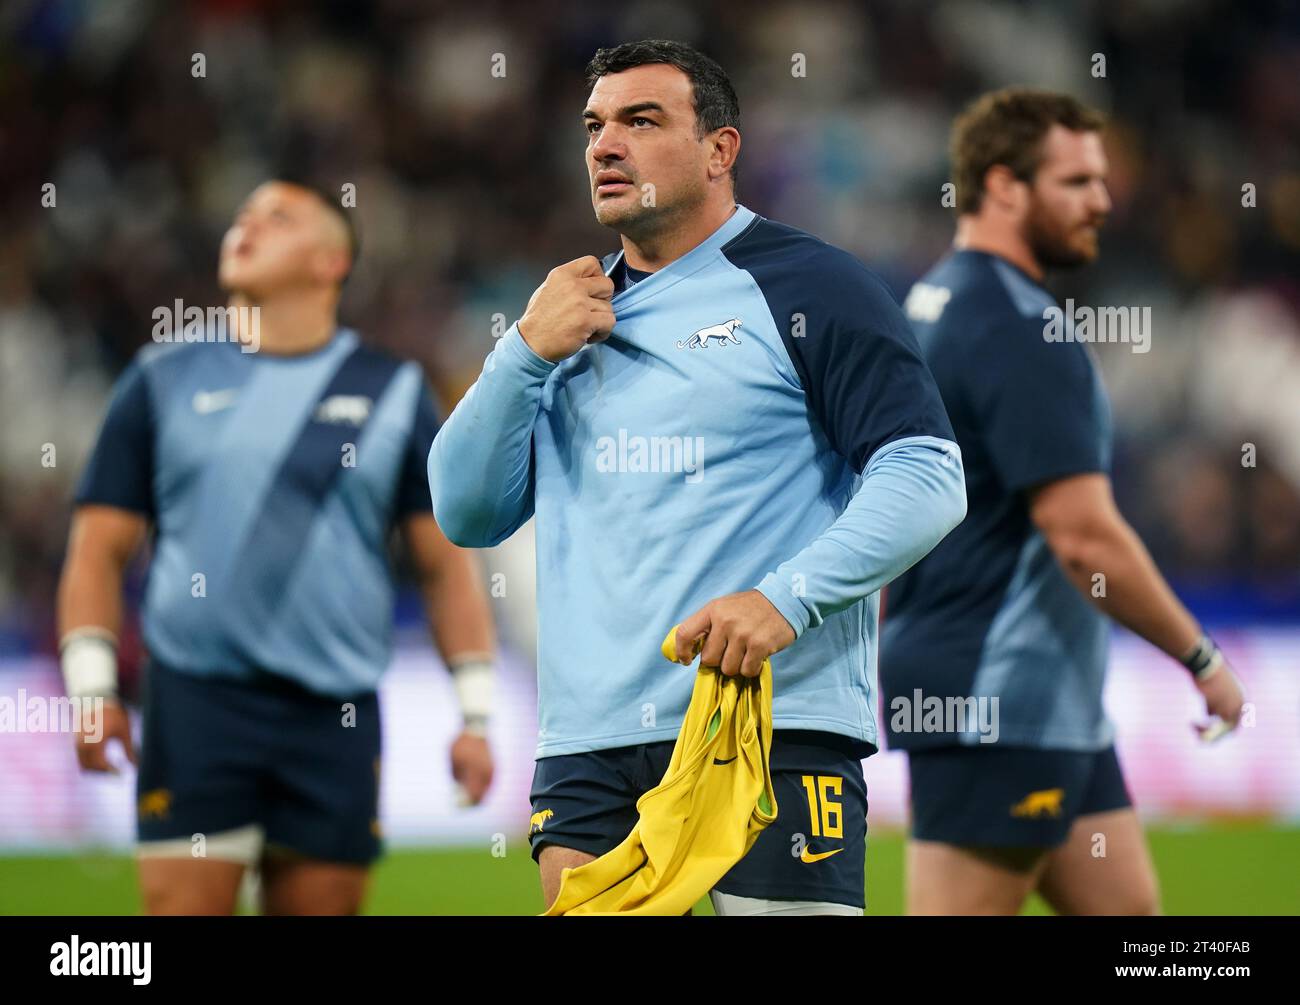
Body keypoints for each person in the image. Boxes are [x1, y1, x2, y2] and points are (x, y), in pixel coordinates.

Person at [428, 39, 966, 916]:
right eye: (595, 126)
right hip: (591, 748)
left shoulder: (812, 286)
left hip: (770, 727)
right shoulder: (564, 321)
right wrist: (521, 352)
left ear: (721, 150)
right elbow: (465, 509)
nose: (606, 145)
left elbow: (928, 474)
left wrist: (782, 599)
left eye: (642, 121)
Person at [58, 179, 497, 915]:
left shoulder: (391, 391)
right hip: (196, 703)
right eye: (243, 215)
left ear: (331, 260)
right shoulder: (160, 378)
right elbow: (97, 547)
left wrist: (477, 716)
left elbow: (444, 562)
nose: (246, 226)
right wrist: (93, 686)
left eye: (278, 217)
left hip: (335, 715)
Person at [881, 88, 1247, 915]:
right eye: (1078, 181)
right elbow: (1083, 537)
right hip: (997, 692)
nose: (1104, 202)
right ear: (1006, 187)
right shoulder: (1014, 325)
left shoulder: (932, 302)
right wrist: (1201, 657)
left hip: (1040, 693)